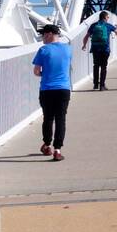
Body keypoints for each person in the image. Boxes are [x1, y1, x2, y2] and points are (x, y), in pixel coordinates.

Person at [32, 24, 71, 162]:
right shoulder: (67, 49)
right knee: (61, 119)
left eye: (43, 35)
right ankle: (58, 150)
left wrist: (45, 73)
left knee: (48, 118)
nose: (42, 38)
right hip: (63, 89)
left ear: (49, 34)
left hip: (47, 89)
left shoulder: (43, 50)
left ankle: (47, 144)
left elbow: (36, 71)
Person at [81, 10, 117, 91]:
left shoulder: (93, 25)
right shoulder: (108, 26)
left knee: (96, 65)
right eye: (108, 17)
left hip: (95, 48)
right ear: (105, 17)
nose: (108, 18)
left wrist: (84, 45)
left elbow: (86, 36)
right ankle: (102, 85)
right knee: (103, 67)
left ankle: (95, 84)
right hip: (105, 48)